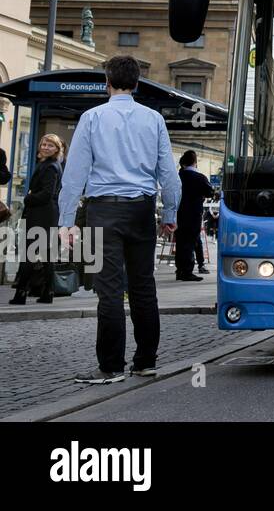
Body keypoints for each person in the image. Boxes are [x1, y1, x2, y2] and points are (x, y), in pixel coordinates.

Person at [58, 56, 182, 384]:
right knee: (143, 287)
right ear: (137, 83)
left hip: (103, 211)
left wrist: (66, 220)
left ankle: (111, 366)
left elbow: (74, 175)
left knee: (109, 290)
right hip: (142, 209)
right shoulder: (153, 119)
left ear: (107, 83)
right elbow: (169, 174)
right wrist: (170, 213)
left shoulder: (92, 118)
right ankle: (146, 361)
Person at [9, 134, 64, 305]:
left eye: (51, 145)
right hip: (46, 216)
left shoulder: (51, 167)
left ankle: (21, 294)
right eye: (44, 144)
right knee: (47, 256)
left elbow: (47, 194)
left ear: (57, 149)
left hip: (42, 216)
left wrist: (28, 198)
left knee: (30, 255)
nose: (46, 147)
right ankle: (47, 293)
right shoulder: (49, 165)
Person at [175, 150, 212, 281]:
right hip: (194, 214)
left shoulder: (177, 176)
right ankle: (187, 271)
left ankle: (179, 270)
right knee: (191, 242)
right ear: (195, 162)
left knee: (180, 241)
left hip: (179, 213)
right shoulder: (200, 177)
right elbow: (210, 192)